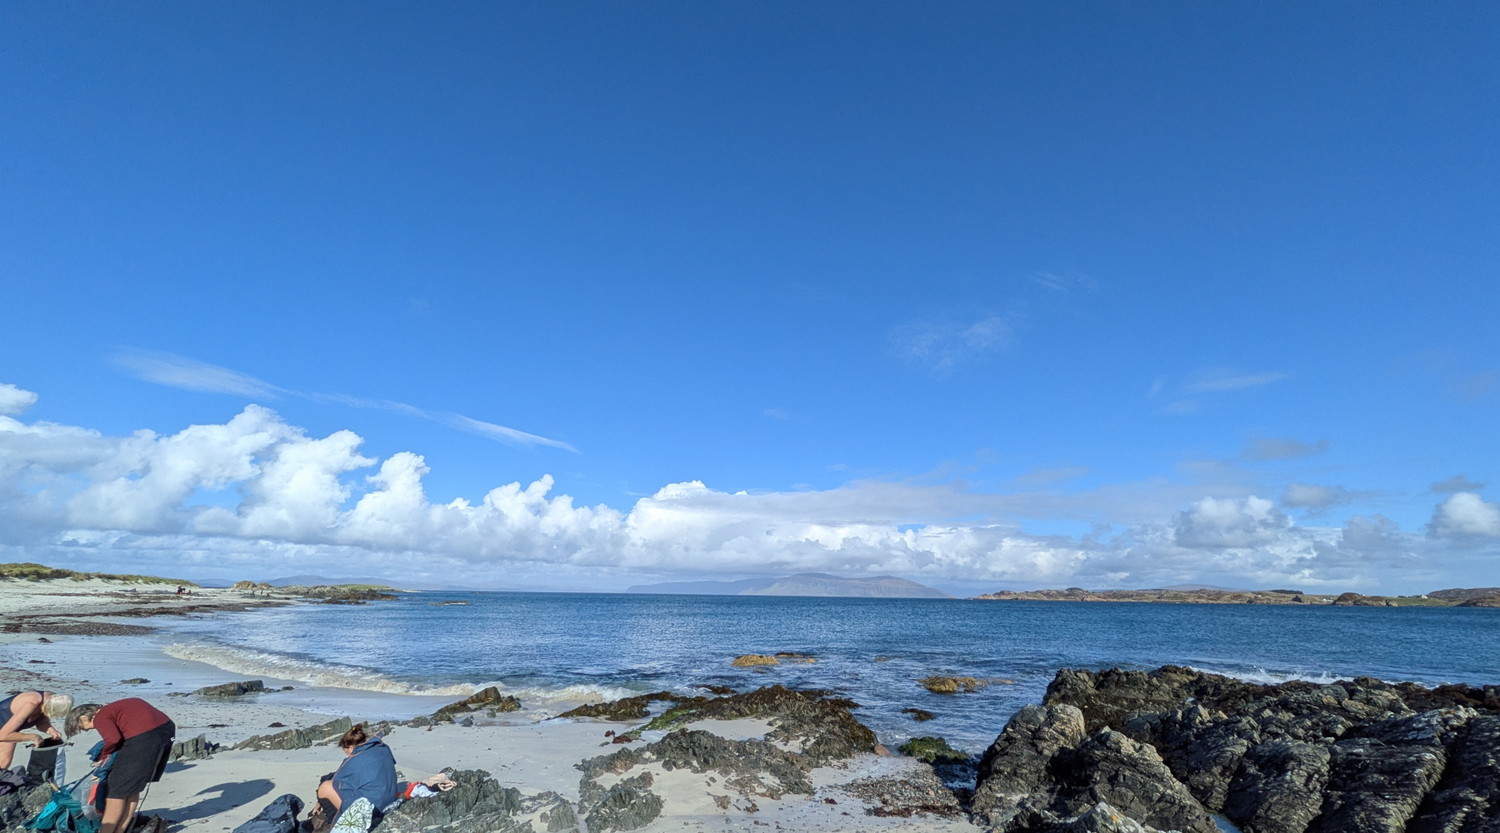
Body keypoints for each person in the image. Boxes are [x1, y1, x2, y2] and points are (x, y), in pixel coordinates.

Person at [66, 699, 176, 833]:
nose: (87, 729)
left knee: (116, 789)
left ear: (84, 717)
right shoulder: (116, 709)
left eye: (83, 726)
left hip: (145, 738)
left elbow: (113, 739)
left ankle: (107, 830)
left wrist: (103, 757)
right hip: (165, 730)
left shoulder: (101, 716)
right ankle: (120, 830)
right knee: (132, 788)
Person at [305, 724, 398, 833]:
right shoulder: (382, 747)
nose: (347, 755)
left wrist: (319, 803)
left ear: (351, 747)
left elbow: (336, 780)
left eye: (346, 751)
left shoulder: (353, 759)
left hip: (373, 806)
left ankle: (333, 822)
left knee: (325, 787)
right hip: (389, 797)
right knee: (331, 778)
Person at [0, 690, 72, 769]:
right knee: (3, 763)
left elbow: (41, 722)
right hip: (4, 728)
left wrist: (51, 730)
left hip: (9, 728)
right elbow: (3, 735)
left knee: (5, 762)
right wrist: (34, 737)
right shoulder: (30, 705)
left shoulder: (50, 700)